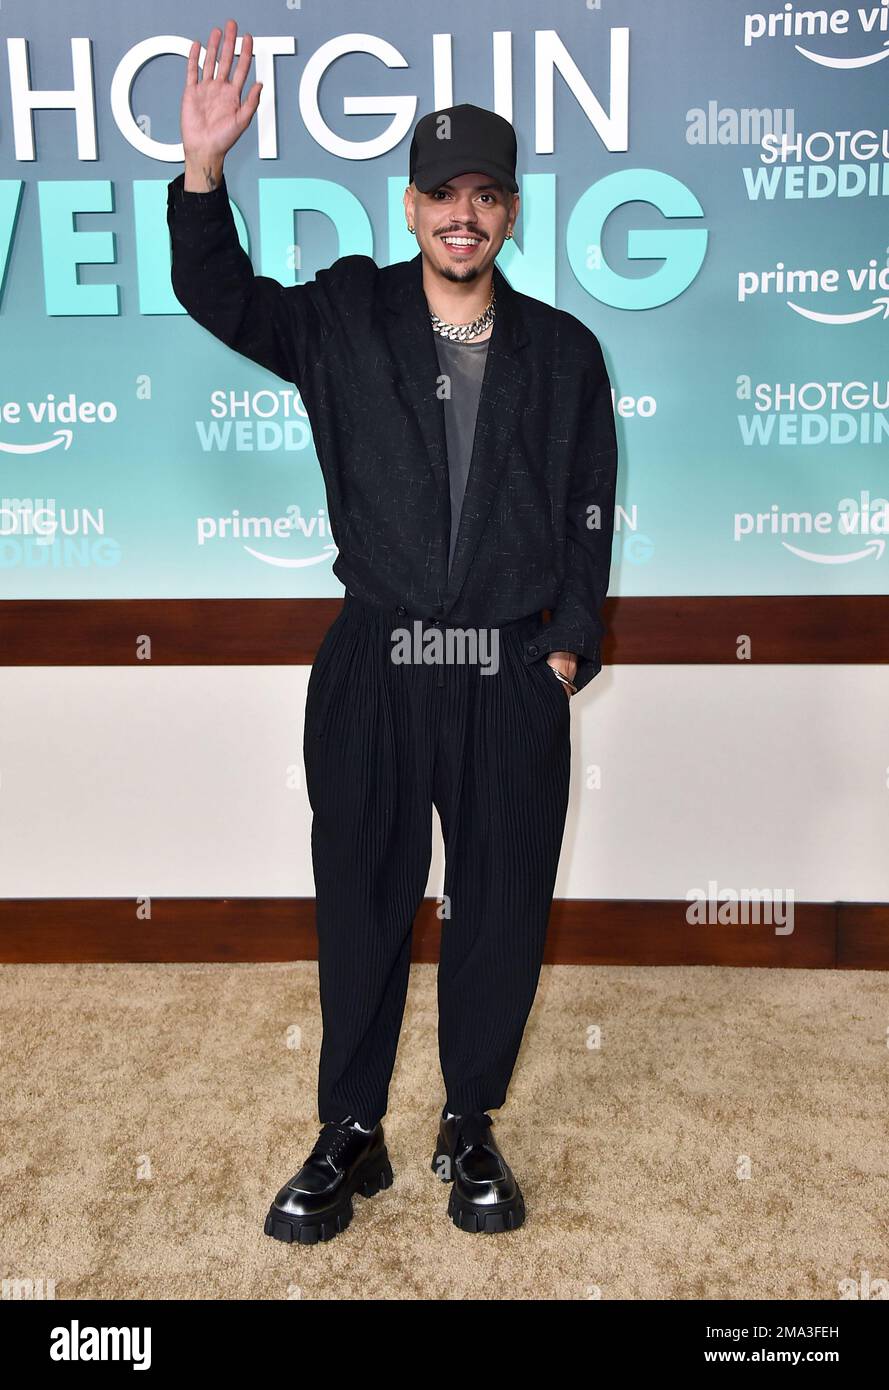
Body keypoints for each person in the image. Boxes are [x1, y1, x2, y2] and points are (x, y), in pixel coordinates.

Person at [167, 20, 618, 1241]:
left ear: (510, 215)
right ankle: (348, 1131)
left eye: (485, 196)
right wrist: (203, 172)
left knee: (501, 901)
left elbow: (589, 514)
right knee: (361, 900)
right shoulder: (341, 319)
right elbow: (214, 292)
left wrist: (565, 648)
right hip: (374, 659)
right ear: (409, 204)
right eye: (441, 194)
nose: (460, 215)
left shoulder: (566, 354)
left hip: (507, 667)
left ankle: (469, 1120)